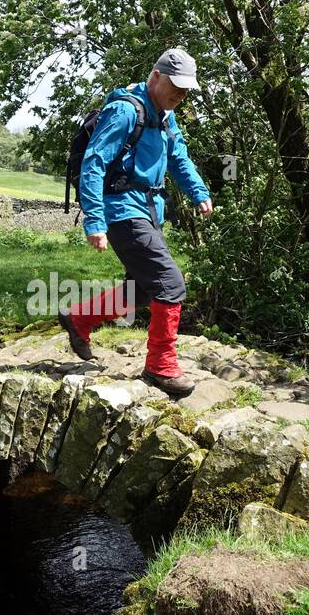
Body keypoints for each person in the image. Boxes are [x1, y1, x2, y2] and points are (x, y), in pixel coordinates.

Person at [57, 48, 214, 398]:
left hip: (147, 208)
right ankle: (161, 365)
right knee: (170, 284)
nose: (180, 94)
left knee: (143, 289)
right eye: (176, 85)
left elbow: (179, 158)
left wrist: (198, 191)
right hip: (120, 211)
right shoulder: (125, 110)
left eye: (187, 89)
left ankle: (79, 319)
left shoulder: (166, 117)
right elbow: (94, 163)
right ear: (156, 76)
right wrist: (95, 221)